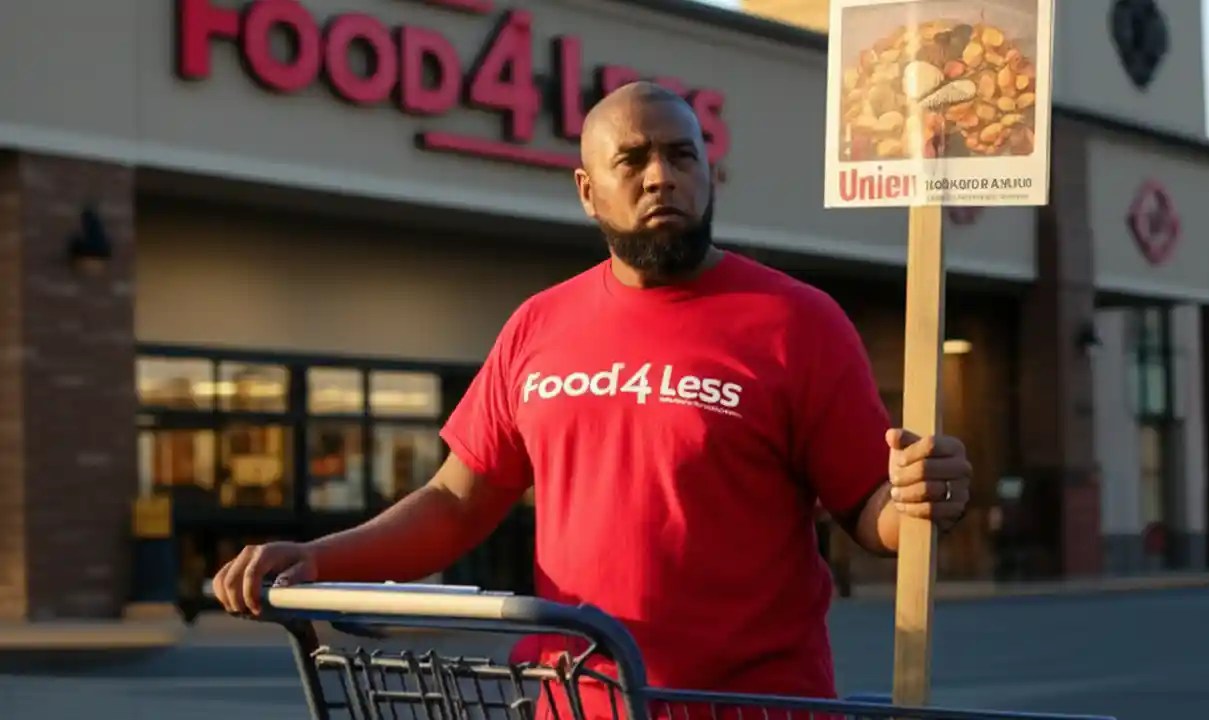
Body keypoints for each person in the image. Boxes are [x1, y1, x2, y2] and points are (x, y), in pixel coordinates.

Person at [211, 81, 972, 709]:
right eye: (632, 159)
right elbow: (455, 503)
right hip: (572, 700)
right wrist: (318, 558)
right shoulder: (539, 324)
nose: (660, 176)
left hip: (753, 706)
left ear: (710, 171)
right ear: (587, 190)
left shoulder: (797, 322)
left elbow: (870, 513)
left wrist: (918, 497)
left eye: (682, 155)